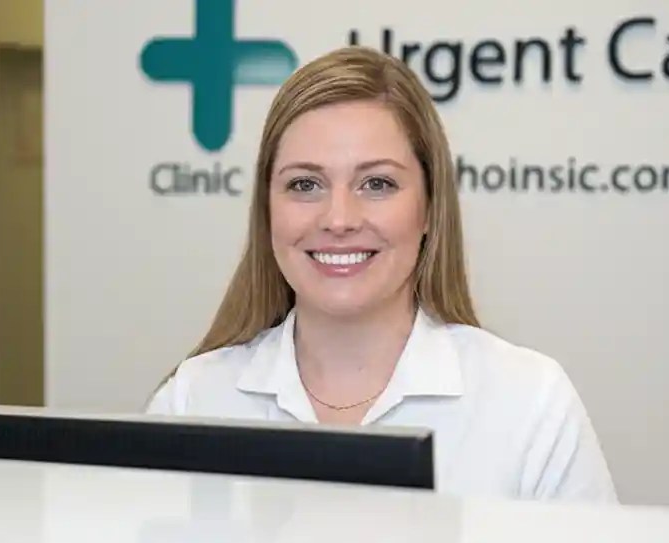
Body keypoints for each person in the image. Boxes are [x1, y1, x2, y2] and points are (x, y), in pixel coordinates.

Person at [147, 47, 617, 503]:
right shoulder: (193, 399)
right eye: (305, 184)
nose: (338, 219)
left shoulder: (530, 403)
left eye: (377, 184)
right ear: (267, 209)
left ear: (430, 207)